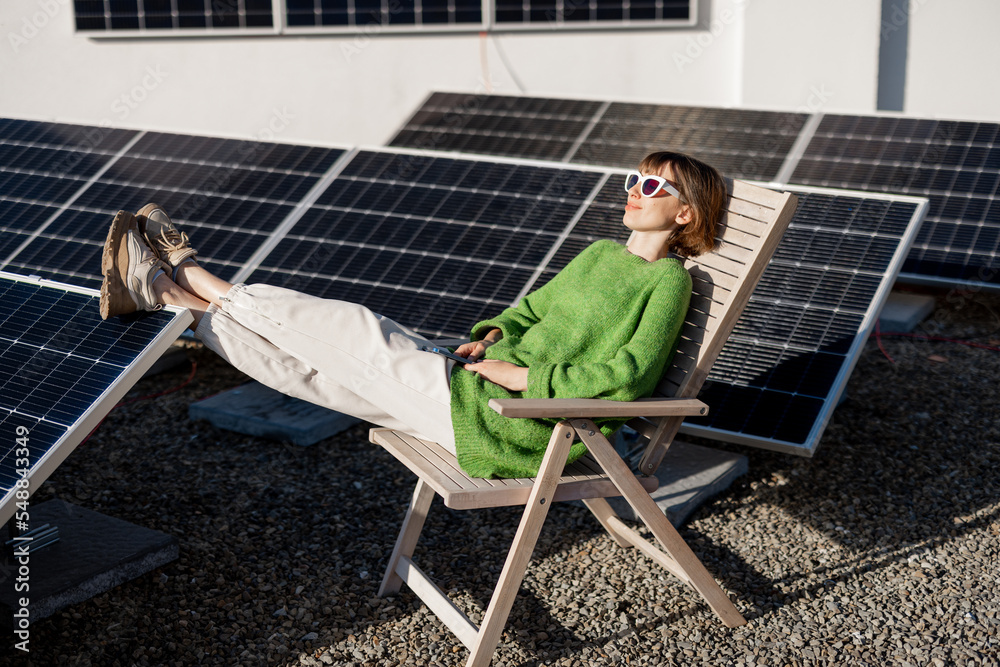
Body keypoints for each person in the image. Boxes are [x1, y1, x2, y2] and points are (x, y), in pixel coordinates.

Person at [99, 151, 726, 479]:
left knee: (354, 331)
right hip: (474, 388)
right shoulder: (597, 254)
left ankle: (194, 275)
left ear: (686, 214)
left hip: (523, 424)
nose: (633, 193)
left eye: (652, 187)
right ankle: (170, 299)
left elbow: (630, 377)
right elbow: (531, 310)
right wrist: (495, 340)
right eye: (632, 180)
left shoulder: (668, 281)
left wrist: (526, 382)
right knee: (315, 375)